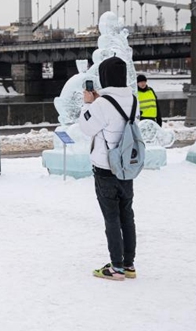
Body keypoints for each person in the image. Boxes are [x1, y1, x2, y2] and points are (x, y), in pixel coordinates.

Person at [78, 57, 138, 280]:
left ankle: (116, 267)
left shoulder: (101, 104)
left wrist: (87, 103)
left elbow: (86, 127)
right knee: (127, 216)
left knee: (111, 218)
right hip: (126, 166)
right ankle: (129, 264)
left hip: (105, 167)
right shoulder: (133, 99)